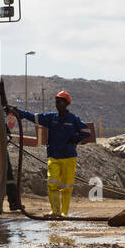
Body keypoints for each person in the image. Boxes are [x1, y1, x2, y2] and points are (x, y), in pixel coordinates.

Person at [7, 90, 91, 218]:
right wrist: (19, 112)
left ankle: (64, 213)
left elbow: (86, 131)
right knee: (52, 184)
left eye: (60, 102)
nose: (57, 104)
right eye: (56, 102)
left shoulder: (73, 119)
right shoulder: (51, 118)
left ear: (66, 103)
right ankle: (55, 212)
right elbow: (35, 117)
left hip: (69, 158)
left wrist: (75, 139)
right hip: (54, 157)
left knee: (67, 187)